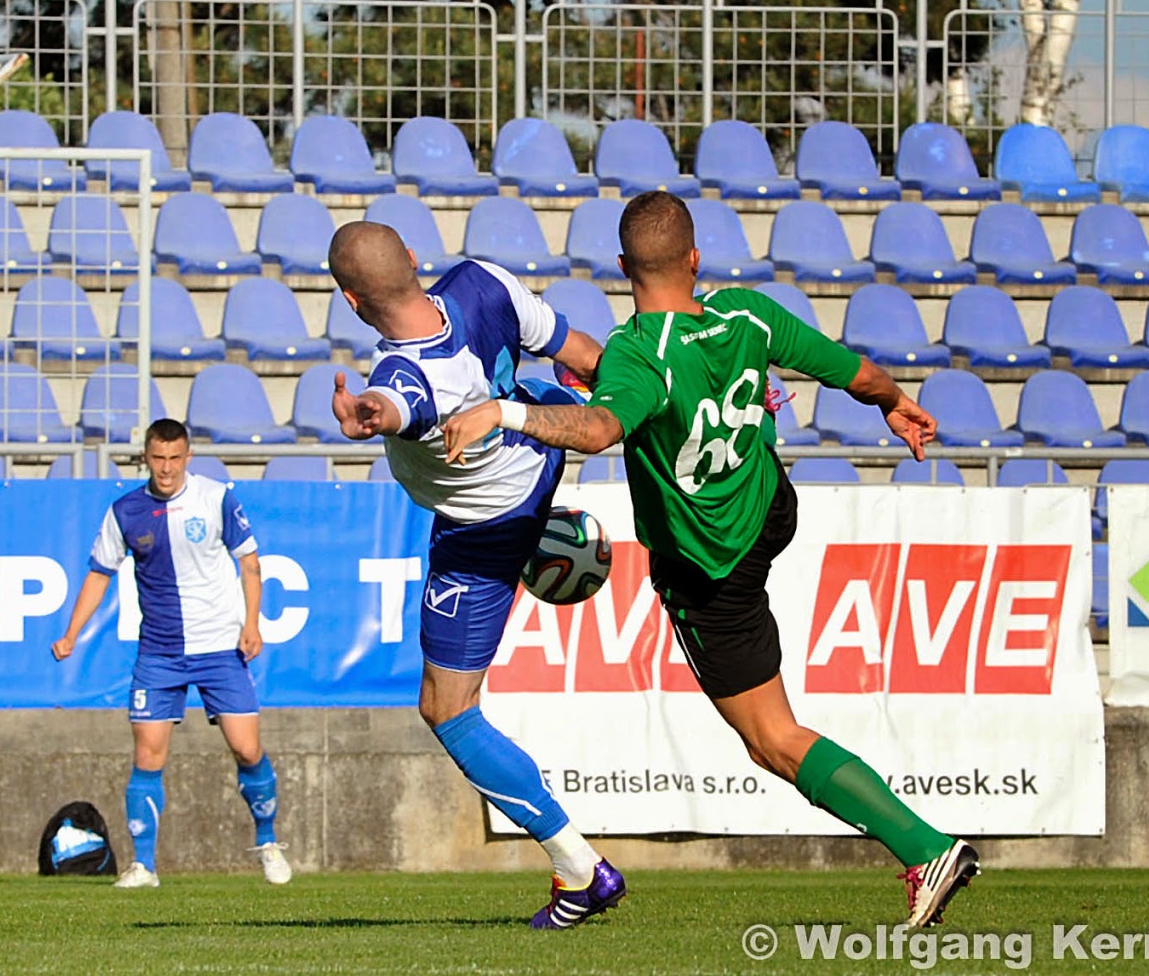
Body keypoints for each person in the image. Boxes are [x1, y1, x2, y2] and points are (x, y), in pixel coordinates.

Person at [442, 191, 979, 929]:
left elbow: (600, 428)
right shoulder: (745, 315)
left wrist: (502, 412)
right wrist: (893, 404)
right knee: (734, 427)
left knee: (773, 739)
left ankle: (927, 848)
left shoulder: (637, 354)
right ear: (694, 260)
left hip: (710, 567)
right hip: (767, 510)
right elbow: (852, 372)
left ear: (624, 267)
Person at [327, 220, 624, 930]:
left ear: (350, 300)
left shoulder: (398, 376)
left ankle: (581, 871)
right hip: (546, 429)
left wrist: (375, 415)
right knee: (581, 382)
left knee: (448, 710)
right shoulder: (482, 280)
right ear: (413, 259)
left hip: (488, 528)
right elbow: (583, 351)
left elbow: (402, 402)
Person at [51, 418, 290, 889]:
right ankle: (144, 866)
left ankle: (267, 842)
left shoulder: (216, 498)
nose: (166, 469)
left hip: (220, 646)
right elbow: (99, 573)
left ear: (187, 458)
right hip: (159, 652)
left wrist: (252, 624)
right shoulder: (125, 511)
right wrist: (72, 632)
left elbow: (250, 563)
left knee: (246, 748)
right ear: (146, 457)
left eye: (174, 459)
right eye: (158, 459)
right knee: (147, 754)